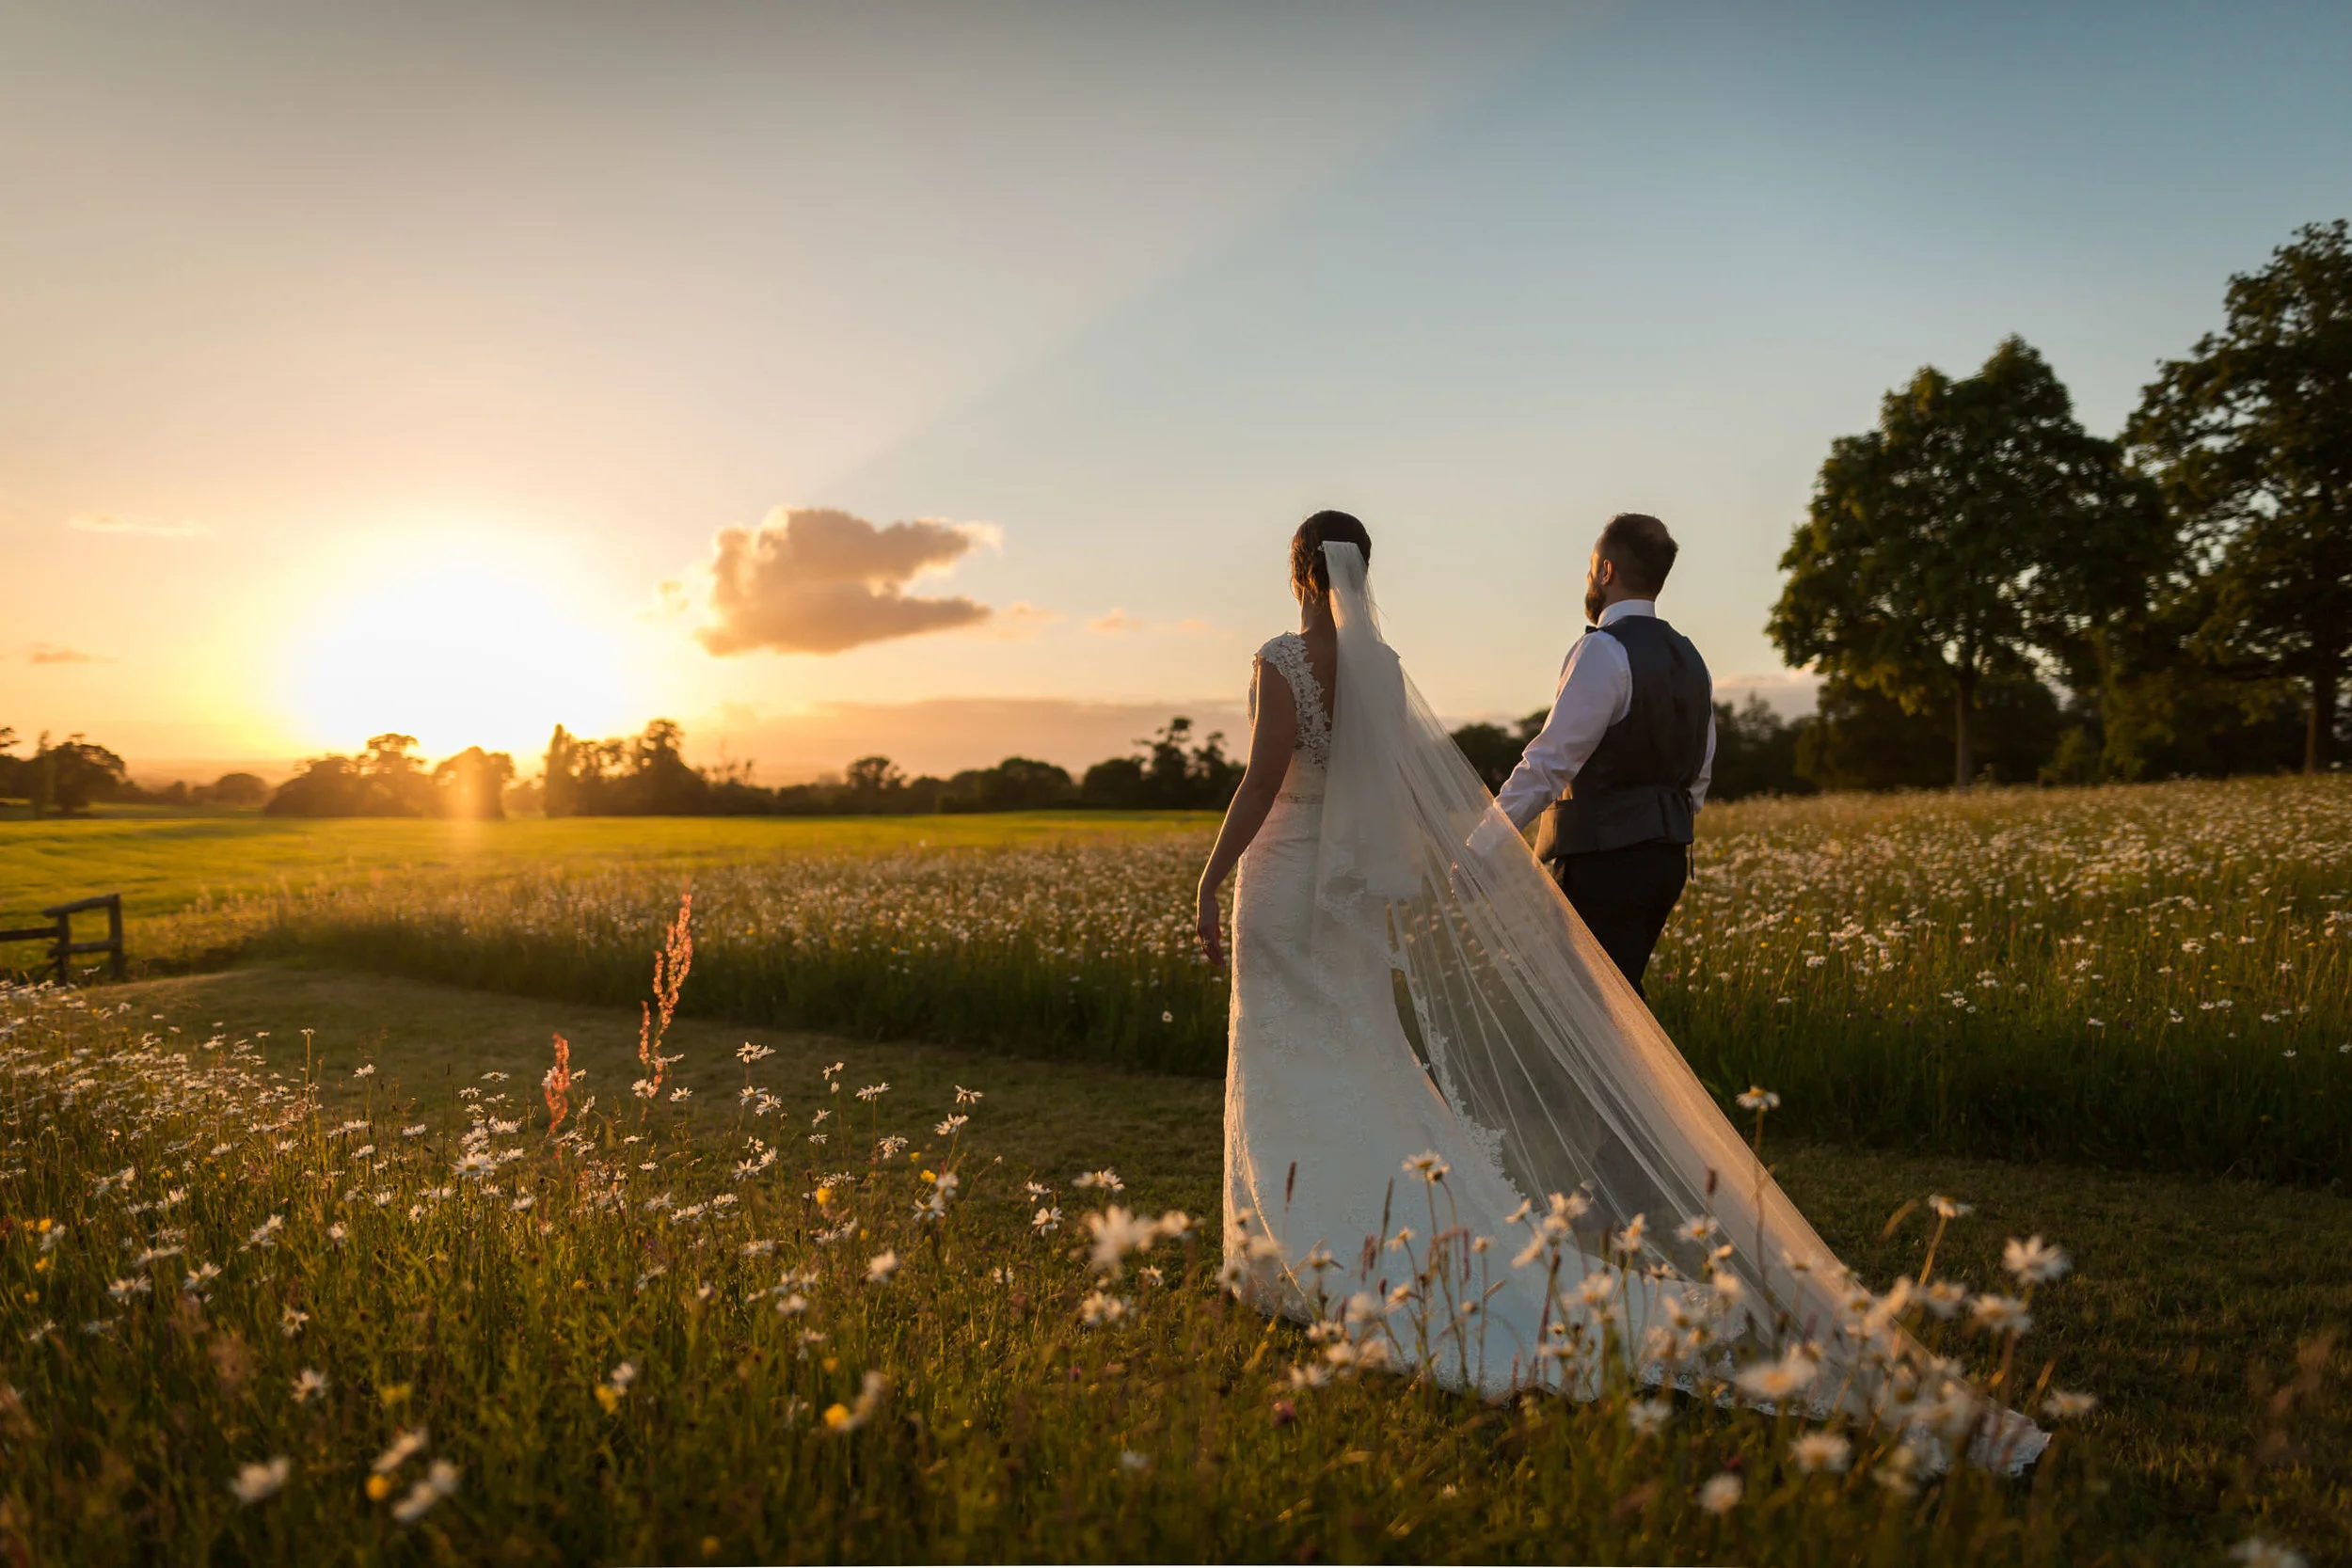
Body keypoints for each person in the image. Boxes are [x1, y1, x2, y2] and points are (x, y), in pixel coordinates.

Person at [1191, 511, 2042, 1470]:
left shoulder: (1322, 655)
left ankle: (1332, 1237)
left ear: (1299, 571)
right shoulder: (1659, 658)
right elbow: (1696, 764)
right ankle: (1582, 1185)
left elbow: (1300, 778)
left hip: (1388, 870)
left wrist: (1224, 876)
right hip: (1636, 857)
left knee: (1345, 1050)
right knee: (1376, 1046)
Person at [1489, 513, 1712, 997]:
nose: (1589, 576)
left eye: (1592, 566)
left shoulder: (1603, 651)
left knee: (1589, 1014)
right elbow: (1698, 773)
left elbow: (1549, 762)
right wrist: (1663, 830)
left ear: (1607, 572)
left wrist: (1481, 845)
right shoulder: (1692, 658)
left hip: (1604, 859)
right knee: (1621, 1001)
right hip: (1667, 860)